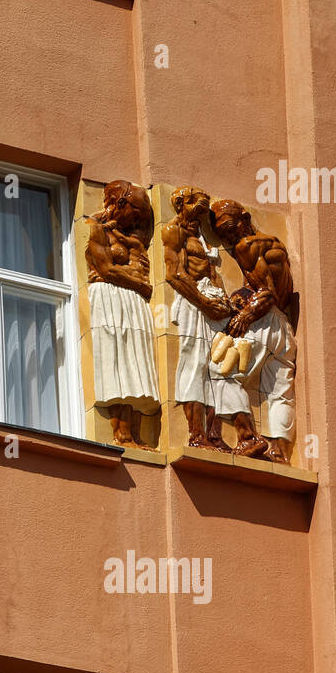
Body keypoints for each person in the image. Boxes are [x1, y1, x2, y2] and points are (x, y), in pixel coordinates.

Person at [210, 199, 298, 463]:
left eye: (230, 227)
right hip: (284, 327)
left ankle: (248, 437)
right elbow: (272, 288)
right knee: (279, 390)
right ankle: (279, 452)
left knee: (221, 373)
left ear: (245, 218)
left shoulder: (245, 246)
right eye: (223, 234)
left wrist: (246, 314)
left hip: (263, 321)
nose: (230, 236)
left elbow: (266, 292)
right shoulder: (274, 243)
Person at [85, 180, 159, 448]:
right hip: (109, 299)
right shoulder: (93, 228)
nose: (138, 219)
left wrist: (138, 283)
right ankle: (122, 435)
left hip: (132, 303)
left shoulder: (128, 235)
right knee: (118, 364)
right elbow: (107, 270)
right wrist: (140, 283)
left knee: (135, 367)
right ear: (120, 203)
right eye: (136, 211)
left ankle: (135, 433)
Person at [163, 186, 233, 450]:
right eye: (197, 209)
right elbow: (174, 274)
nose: (201, 216)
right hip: (194, 304)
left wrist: (223, 303)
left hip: (211, 303)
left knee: (215, 366)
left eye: (204, 212)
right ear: (182, 204)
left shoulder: (200, 235)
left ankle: (213, 433)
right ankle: (195, 435)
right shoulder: (174, 231)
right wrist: (205, 304)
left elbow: (212, 272)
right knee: (193, 364)